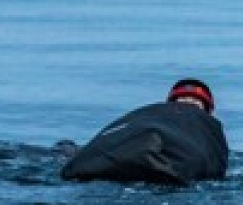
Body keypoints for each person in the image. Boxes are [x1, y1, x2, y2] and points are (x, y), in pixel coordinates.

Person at [62, 78, 228, 185]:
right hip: (165, 175)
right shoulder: (206, 132)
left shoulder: (148, 116)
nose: (186, 105)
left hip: (111, 164)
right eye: (184, 101)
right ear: (208, 112)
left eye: (191, 103)